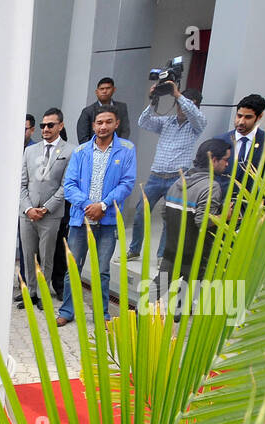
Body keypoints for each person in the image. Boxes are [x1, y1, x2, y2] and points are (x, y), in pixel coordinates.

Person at [56, 106, 136, 327]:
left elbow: (127, 183)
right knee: (73, 267)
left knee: (102, 271)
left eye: (108, 122)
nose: (103, 126)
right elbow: (69, 185)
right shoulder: (81, 151)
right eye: (99, 122)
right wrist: (88, 205)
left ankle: (101, 315)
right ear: (93, 126)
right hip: (80, 219)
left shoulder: (127, 149)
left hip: (107, 220)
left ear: (116, 124)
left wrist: (103, 205)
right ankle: (67, 311)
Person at [126, 85, 207, 260]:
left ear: (195, 106)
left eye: (187, 104)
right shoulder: (166, 122)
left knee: (169, 218)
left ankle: (162, 254)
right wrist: (154, 100)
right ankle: (134, 250)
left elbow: (194, 114)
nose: (182, 107)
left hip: (178, 178)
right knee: (141, 212)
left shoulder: (196, 125)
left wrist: (178, 94)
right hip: (156, 176)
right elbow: (143, 122)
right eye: (179, 103)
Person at [19, 109, 73, 306]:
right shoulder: (29, 150)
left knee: (47, 256)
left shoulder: (69, 151)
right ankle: (31, 293)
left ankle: (43, 294)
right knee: (28, 255)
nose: (46, 129)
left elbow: (66, 185)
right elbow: (21, 184)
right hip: (27, 214)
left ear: (61, 126)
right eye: (43, 125)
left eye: (50, 125)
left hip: (50, 215)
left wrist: (46, 208)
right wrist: (28, 209)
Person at [159, 138, 231, 285]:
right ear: (214, 160)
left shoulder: (180, 180)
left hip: (171, 251)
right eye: (225, 159)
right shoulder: (211, 186)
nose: (227, 164)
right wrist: (225, 216)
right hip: (194, 258)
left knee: (154, 294)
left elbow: (164, 212)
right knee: (185, 303)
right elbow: (202, 221)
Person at [217, 93, 265, 202]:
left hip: (250, 209)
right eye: (239, 115)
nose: (241, 121)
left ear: (259, 117)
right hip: (220, 207)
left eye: (248, 117)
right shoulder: (220, 140)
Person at [76, 76, 131, 143]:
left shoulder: (121, 107)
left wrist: (119, 147)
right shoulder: (88, 111)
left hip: (117, 149)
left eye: (108, 88)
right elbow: (83, 136)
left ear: (114, 90)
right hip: (94, 150)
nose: (104, 91)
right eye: (102, 89)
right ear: (96, 92)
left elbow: (125, 130)